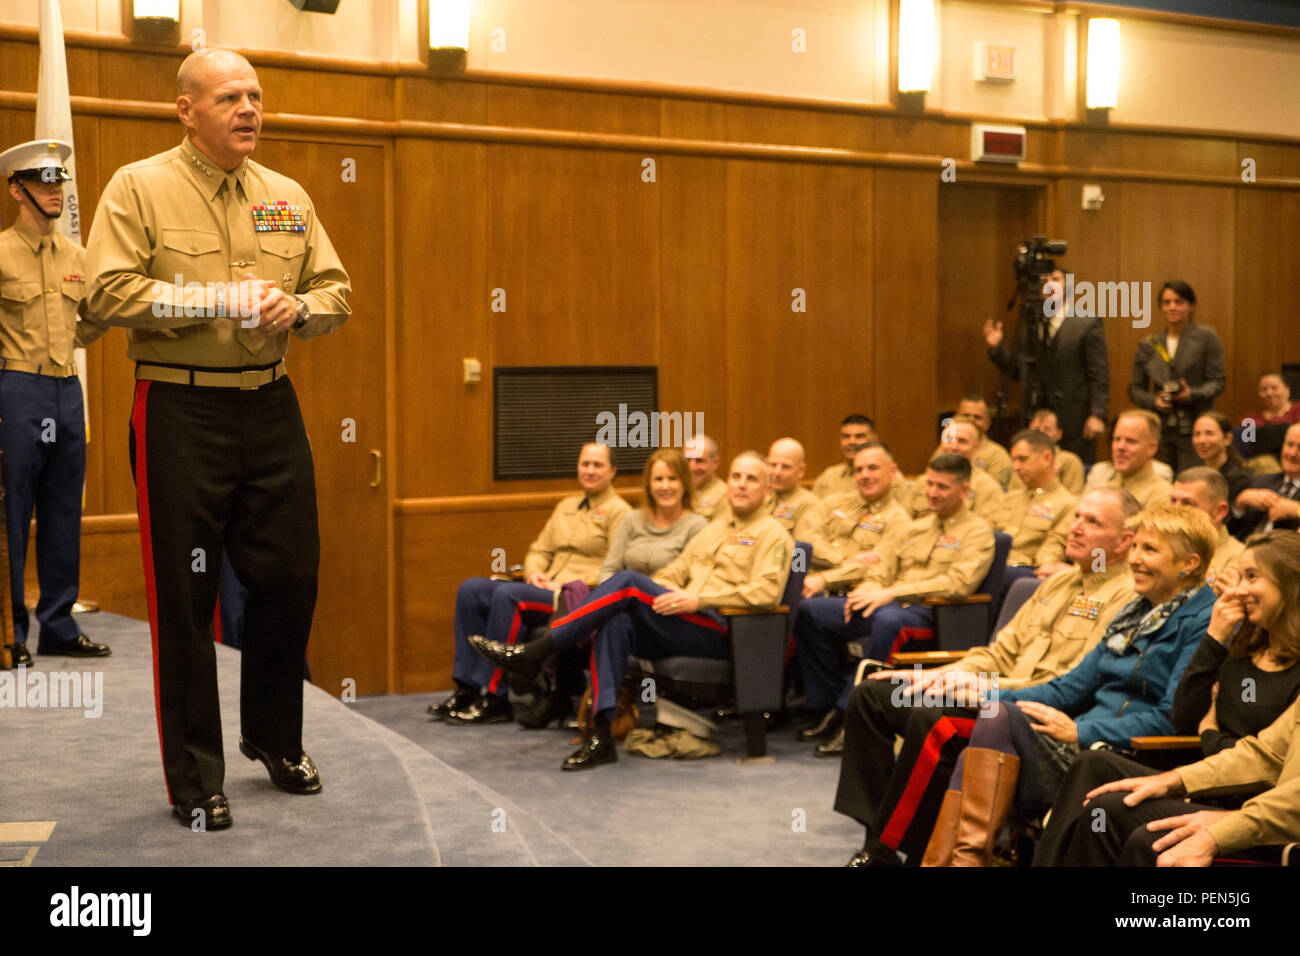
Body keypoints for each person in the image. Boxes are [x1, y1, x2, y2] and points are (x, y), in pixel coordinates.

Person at [84, 49, 351, 830]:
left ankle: (273, 737)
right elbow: (107, 290)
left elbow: (334, 290)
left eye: (256, 97)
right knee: (185, 597)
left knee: (290, 577)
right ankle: (196, 778)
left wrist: (296, 312)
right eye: (229, 96)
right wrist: (215, 298)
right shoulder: (140, 187)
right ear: (186, 110)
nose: (248, 109)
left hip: (270, 407)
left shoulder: (286, 197)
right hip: (179, 408)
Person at [835, 489, 1138, 866]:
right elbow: (999, 652)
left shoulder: (1126, 598)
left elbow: (1070, 686)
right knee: (874, 696)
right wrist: (943, 675)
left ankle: (908, 854)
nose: (1075, 528)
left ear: (1126, 540)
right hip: (989, 692)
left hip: (1029, 716)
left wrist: (981, 689)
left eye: (1092, 522)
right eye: (1077, 517)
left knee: (937, 722)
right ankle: (876, 843)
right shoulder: (1058, 584)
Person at [923, 505, 1217, 866]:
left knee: (993, 725)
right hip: (1084, 738)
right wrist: (986, 693)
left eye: (1150, 550)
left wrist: (1079, 730)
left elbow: (1169, 718)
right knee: (986, 723)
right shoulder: (1135, 612)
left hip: (1127, 754)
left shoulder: (1203, 620)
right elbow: (1067, 689)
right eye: (1136, 547)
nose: (1136, 559)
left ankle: (958, 863)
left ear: (1189, 563)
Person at [471, 451, 791, 771]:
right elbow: (674, 572)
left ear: (767, 490)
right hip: (684, 620)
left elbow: (766, 593)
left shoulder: (774, 535)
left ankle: (538, 651)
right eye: (736, 477)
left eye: (751, 479)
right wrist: (666, 591)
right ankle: (601, 736)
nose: (741, 485)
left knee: (627, 582)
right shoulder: (715, 529)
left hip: (726, 629)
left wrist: (700, 599)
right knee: (616, 620)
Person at [1035, 531, 1300, 865]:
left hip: (1254, 804)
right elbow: (1190, 717)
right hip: (1213, 776)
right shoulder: (1242, 641)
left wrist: (1209, 735)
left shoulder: (1194, 617)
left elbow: (1186, 726)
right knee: (1092, 766)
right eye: (1133, 546)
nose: (1239, 589)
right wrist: (1215, 638)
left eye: (1252, 577)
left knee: (1118, 812)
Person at [793, 454, 996, 749]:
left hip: (932, 614)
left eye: (942, 487)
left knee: (890, 623)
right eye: (929, 484)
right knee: (810, 612)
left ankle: (850, 713)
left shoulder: (978, 533)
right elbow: (881, 568)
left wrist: (892, 592)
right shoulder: (915, 527)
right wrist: (867, 590)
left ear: (964, 491)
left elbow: (958, 584)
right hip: (887, 603)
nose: (932, 493)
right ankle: (826, 705)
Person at [0, 139, 110, 666]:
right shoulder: (1, 251)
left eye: (58, 181)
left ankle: (59, 625)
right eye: (43, 182)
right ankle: (11, 630)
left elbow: (93, 316)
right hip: (18, 389)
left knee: (65, 508)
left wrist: (69, 339)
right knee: (13, 510)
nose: (54, 190)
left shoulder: (77, 256)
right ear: (16, 189)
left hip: (67, 389)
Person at [433, 442, 631, 725]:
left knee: (508, 595)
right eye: (584, 464)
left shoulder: (620, 512)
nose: (589, 470)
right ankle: (466, 688)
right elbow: (539, 551)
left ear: (613, 471)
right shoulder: (567, 506)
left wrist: (564, 584)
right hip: (543, 586)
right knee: (471, 589)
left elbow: (615, 570)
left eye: (597, 465)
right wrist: (534, 573)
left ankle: (495, 697)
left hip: (576, 595)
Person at [984, 267, 1110, 464]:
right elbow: (1022, 372)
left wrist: (1097, 414)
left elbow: (1099, 373)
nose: (1049, 284)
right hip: (1038, 419)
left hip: (1075, 418)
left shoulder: (1086, 322)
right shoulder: (1033, 324)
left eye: (1056, 279)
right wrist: (997, 349)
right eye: (1044, 281)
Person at [1128, 280, 1226, 472]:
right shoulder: (1149, 344)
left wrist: (1192, 394)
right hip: (1160, 430)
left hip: (1195, 427)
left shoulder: (1206, 337)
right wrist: (1154, 401)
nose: (1172, 307)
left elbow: (1218, 382)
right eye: (1167, 302)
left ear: (1191, 306)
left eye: (1179, 302)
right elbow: (1134, 389)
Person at [799, 443, 910, 598]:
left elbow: (875, 568)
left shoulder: (899, 521)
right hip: (805, 584)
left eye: (873, 468)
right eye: (858, 470)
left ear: (892, 471)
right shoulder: (833, 503)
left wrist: (824, 579)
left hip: (846, 594)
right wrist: (841, 560)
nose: (864, 475)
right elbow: (804, 538)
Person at [991, 429, 1076, 592]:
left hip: (1027, 571)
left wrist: (1045, 567)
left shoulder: (1068, 504)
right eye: (1013, 460)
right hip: (997, 566)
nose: (1016, 467)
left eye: (1022, 460)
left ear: (1046, 458)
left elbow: (1054, 547)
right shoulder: (1008, 499)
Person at [908, 417, 1002, 520]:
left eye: (962, 441)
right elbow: (904, 523)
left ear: (976, 448)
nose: (953, 446)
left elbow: (986, 530)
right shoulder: (924, 482)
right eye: (948, 439)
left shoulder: (987, 488)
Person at [1169, 467, 1244, 592]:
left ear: (1219, 511)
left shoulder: (1239, 558)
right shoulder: (1164, 548)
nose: (1175, 511)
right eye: (1173, 501)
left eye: (1187, 503)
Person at [1083, 410, 1173, 510]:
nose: (1120, 447)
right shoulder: (1103, 487)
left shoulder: (1163, 497)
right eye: (1117, 439)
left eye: (1131, 441)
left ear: (1152, 448)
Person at [1230, 422, 1300, 538]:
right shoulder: (1262, 481)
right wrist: (1240, 503)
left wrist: (1297, 509)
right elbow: (1231, 530)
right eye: (1289, 445)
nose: (1292, 453)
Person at [929, 395, 1012, 488]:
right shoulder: (945, 449)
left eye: (977, 417)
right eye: (966, 415)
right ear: (956, 417)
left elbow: (998, 492)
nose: (971, 420)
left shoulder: (997, 455)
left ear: (987, 423)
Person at [1007, 408, 1084, 495]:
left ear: (1059, 434)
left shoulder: (1070, 461)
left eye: (1047, 429)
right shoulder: (1019, 460)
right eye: (1036, 429)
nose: (1040, 433)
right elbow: (1012, 493)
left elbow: (1074, 498)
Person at [1192, 411, 1252, 507]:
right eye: (1197, 434)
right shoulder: (1192, 474)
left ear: (1227, 439)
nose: (1201, 440)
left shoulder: (1239, 479)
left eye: (1209, 433)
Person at [812, 414, 876, 499]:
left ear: (874, 439)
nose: (852, 441)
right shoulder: (828, 477)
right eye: (846, 436)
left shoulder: (888, 478)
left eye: (859, 436)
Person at [764, 437, 818, 534]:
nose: (777, 472)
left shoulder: (808, 505)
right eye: (773, 465)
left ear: (801, 470)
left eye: (785, 467)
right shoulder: (761, 499)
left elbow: (802, 547)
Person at [683, 433, 727, 521]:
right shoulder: (677, 490)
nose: (692, 467)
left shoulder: (725, 496)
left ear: (715, 463)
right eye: (687, 460)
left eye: (699, 461)